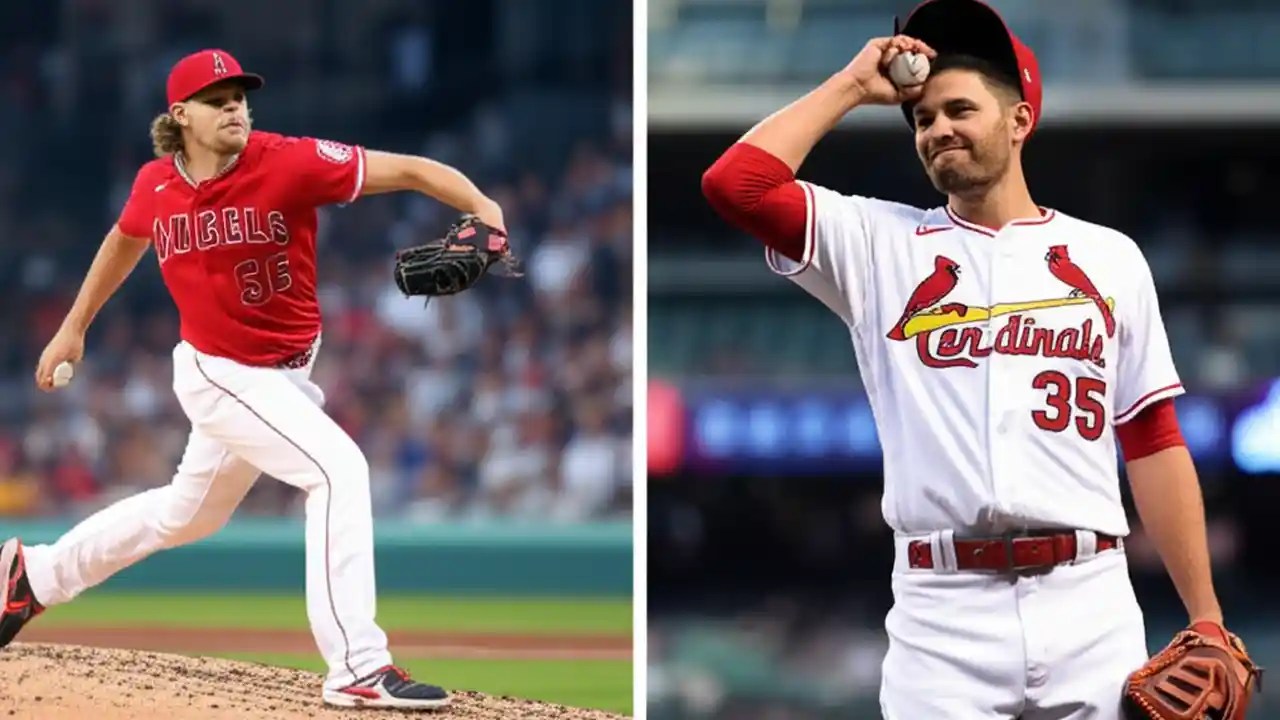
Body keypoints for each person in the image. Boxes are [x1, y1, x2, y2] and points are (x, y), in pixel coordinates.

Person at [700, 1, 1242, 718]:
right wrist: (854, 87)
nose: (937, 129)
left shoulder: (1109, 257)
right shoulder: (877, 243)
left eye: (960, 109)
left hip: (1090, 598)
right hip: (941, 611)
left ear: (1019, 121)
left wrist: (1204, 613)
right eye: (923, 119)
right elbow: (735, 184)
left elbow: (1152, 437)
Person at [0, 48, 509, 711]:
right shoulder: (156, 184)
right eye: (218, 98)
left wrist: (483, 205)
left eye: (240, 94)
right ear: (180, 115)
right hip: (220, 373)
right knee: (338, 471)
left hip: (286, 374)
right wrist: (76, 324)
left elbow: (410, 168)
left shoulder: (289, 161)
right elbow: (125, 239)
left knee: (186, 515)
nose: (235, 105)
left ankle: (31, 575)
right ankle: (358, 664)